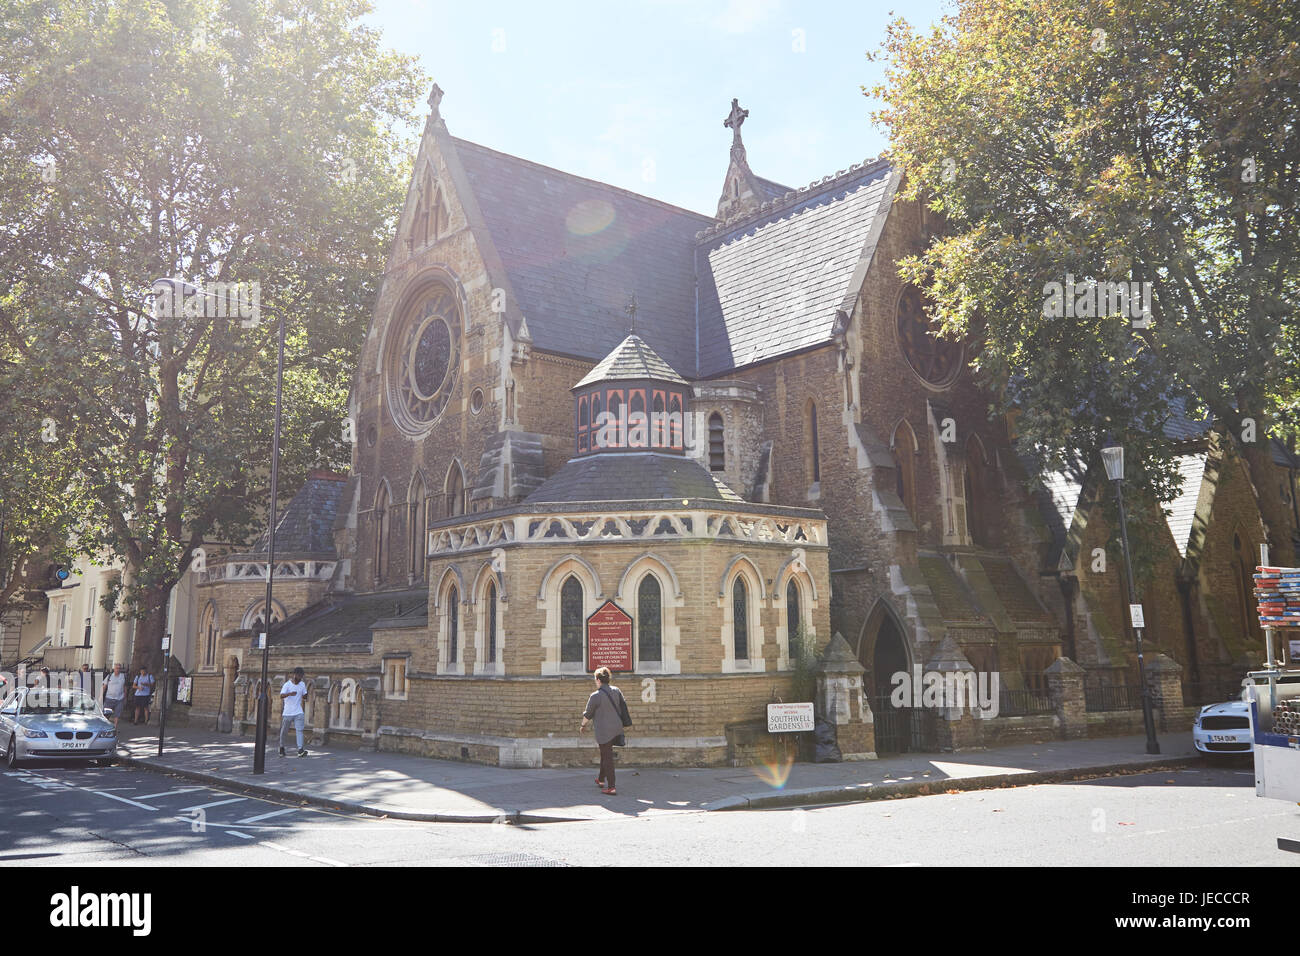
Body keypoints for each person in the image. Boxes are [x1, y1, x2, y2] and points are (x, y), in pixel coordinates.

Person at [580, 666, 630, 796]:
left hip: (604, 732)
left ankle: (611, 786)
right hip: (617, 729)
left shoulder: (595, 696)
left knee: (607, 757)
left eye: (595, 679)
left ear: (598, 680)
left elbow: (588, 714)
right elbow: (623, 707)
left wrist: (582, 725)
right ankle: (601, 780)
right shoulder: (616, 691)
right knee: (605, 753)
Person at [278, 667, 309, 757]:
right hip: (287, 712)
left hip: (298, 711)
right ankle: (281, 747)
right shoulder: (287, 685)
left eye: (301, 677)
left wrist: (306, 696)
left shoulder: (302, 684)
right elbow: (281, 695)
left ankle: (300, 750)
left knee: (299, 730)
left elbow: (304, 695)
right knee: (284, 731)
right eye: (299, 676)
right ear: (294, 675)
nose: (300, 678)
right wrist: (289, 694)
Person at [103, 663, 127, 728]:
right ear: (114, 669)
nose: (118, 670)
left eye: (119, 668)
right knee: (106, 714)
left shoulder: (123, 676)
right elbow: (104, 686)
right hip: (109, 698)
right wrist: (101, 695)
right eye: (116, 668)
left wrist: (125, 697)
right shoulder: (110, 676)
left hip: (119, 699)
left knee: (117, 715)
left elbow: (125, 687)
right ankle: (105, 726)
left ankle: (115, 727)